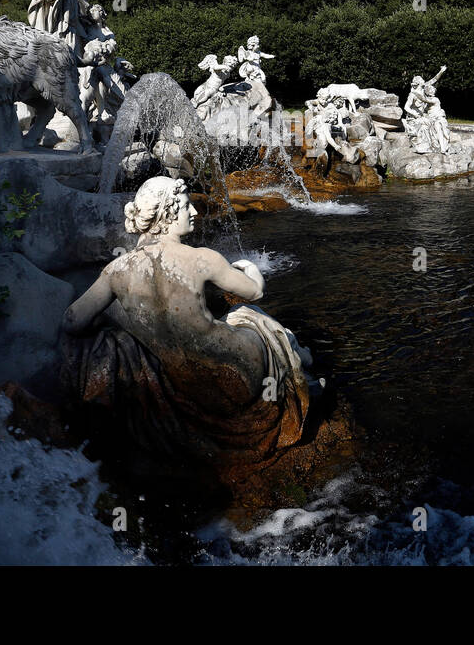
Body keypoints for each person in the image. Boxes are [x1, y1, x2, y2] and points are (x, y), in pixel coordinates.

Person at [59, 177, 311, 463]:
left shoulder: (116, 270)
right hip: (240, 376)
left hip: (182, 386)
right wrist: (251, 267)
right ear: (167, 212)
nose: (194, 213)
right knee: (250, 316)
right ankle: (303, 363)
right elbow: (256, 292)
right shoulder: (202, 258)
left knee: (119, 340)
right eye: (186, 206)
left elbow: (72, 321)